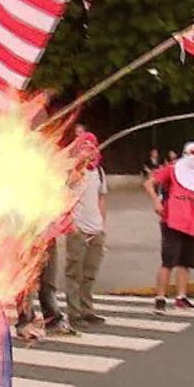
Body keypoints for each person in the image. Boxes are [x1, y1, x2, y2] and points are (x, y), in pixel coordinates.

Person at [144, 141, 194, 313]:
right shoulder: (173, 169)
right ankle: (160, 298)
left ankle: (181, 297)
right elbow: (149, 183)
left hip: (192, 223)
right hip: (172, 220)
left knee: (186, 261)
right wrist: (156, 202)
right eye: (192, 153)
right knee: (168, 261)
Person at [65, 132, 108, 327]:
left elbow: (101, 198)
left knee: (90, 273)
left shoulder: (99, 172)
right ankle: (74, 313)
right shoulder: (73, 170)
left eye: (92, 147)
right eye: (85, 147)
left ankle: (87, 309)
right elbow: (63, 194)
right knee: (75, 273)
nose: (89, 151)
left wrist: (102, 226)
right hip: (77, 228)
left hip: (95, 228)